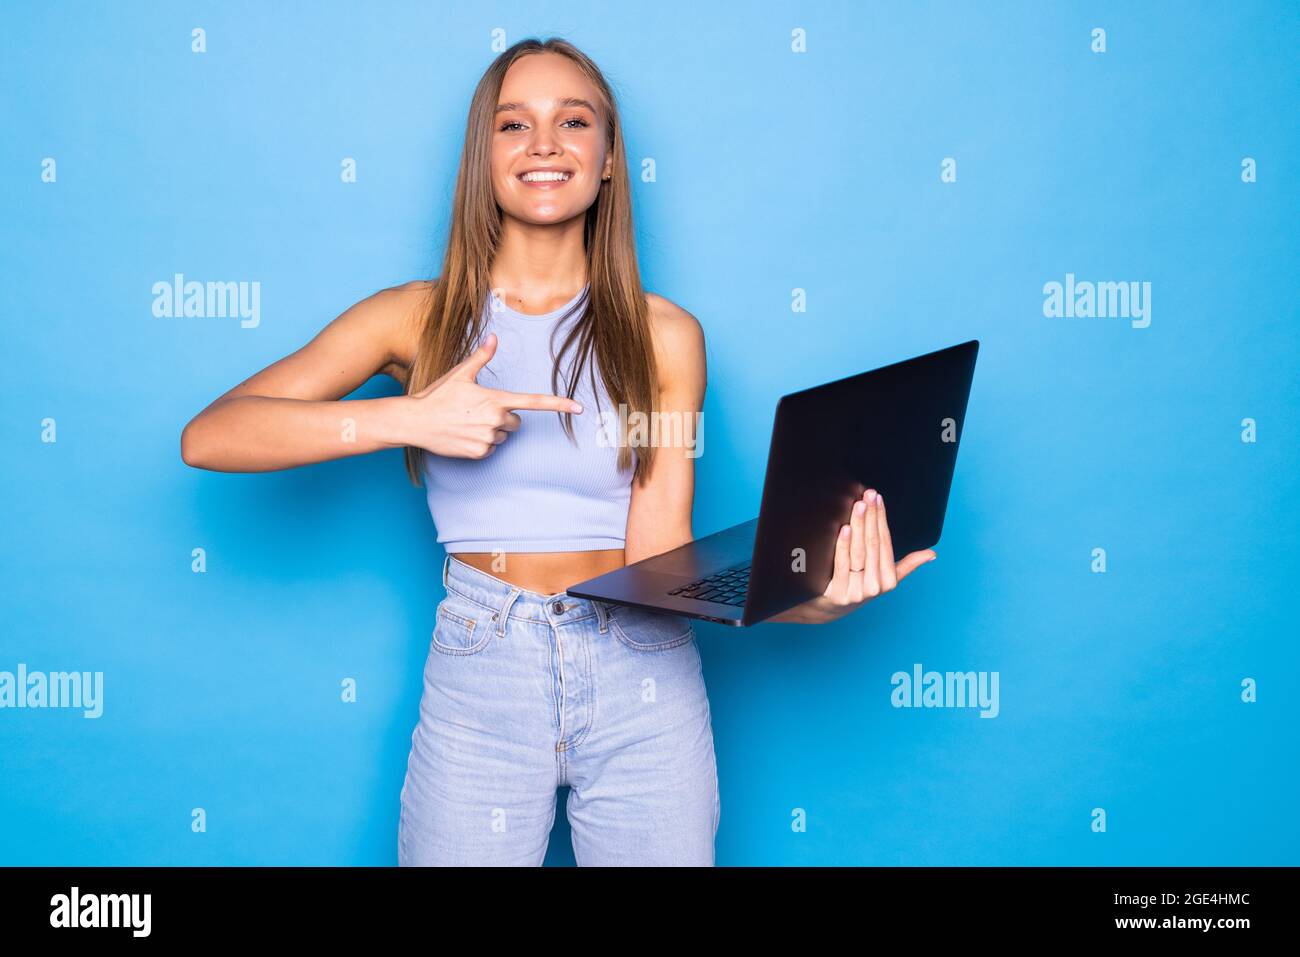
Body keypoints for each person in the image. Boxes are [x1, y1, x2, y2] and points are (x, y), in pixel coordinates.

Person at [180, 36, 935, 866]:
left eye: (573, 121)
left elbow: (656, 549)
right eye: (514, 125)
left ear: (608, 158)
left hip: (642, 670)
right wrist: (409, 420)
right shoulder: (414, 318)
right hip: (482, 664)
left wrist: (808, 598)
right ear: (485, 156)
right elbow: (212, 434)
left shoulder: (667, 336)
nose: (544, 144)